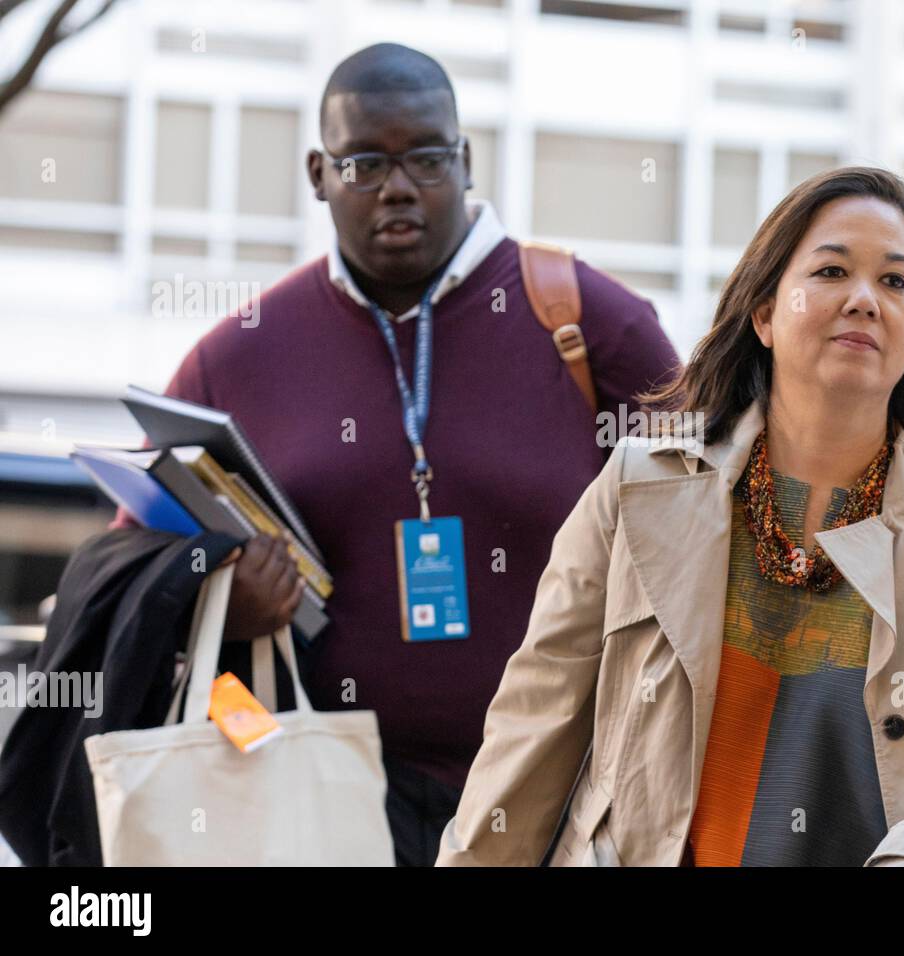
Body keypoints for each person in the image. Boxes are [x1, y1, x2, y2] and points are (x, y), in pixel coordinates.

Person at [109, 43, 680, 865]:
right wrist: (215, 600)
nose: (400, 186)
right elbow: (133, 563)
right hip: (317, 804)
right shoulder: (236, 357)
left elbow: (717, 519)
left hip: (563, 798)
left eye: (427, 158)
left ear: (467, 160)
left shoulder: (590, 324)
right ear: (317, 172)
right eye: (365, 162)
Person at [436, 166, 904, 867]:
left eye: (895, 282)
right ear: (764, 313)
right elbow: (538, 720)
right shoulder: (640, 488)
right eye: (831, 271)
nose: (864, 299)